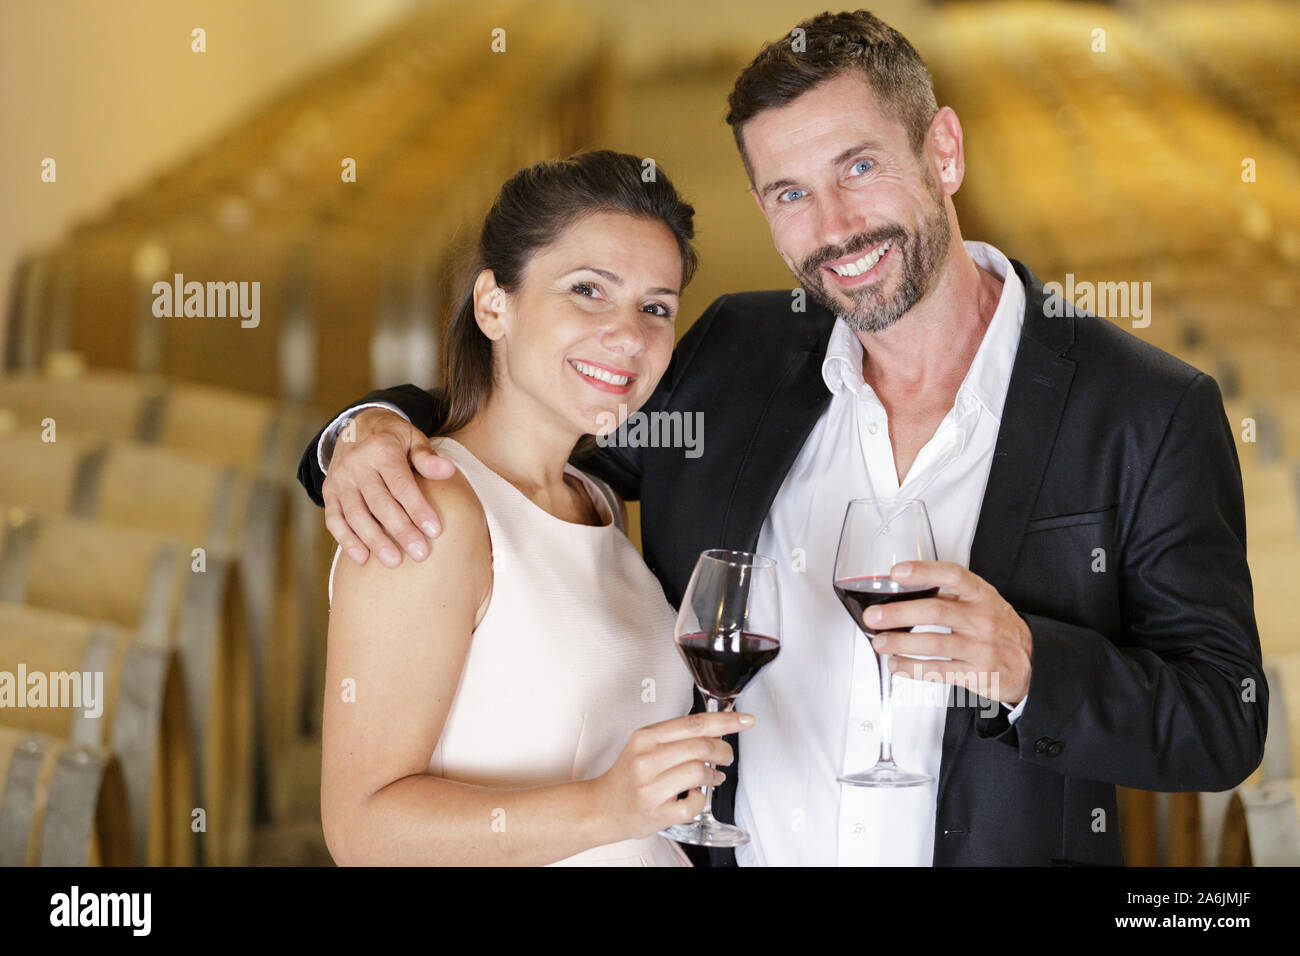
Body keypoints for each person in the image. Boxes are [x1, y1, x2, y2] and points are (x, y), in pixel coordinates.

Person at [302, 11, 1265, 866]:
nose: (836, 226)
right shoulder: (738, 355)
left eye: (859, 165)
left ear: (944, 151)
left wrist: (1028, 667)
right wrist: (369, 428)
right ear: (763, 211)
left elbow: (1227, 720)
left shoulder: (1144, 409)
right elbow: (536, 435)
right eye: (790, 192)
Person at [319, 149, 755, 866]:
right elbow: (364, 831)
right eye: (588, 290)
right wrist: (605, 808)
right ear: (494, 305)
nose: (628, 334)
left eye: (656, 308)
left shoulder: (599, 502)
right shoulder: (432, 506)